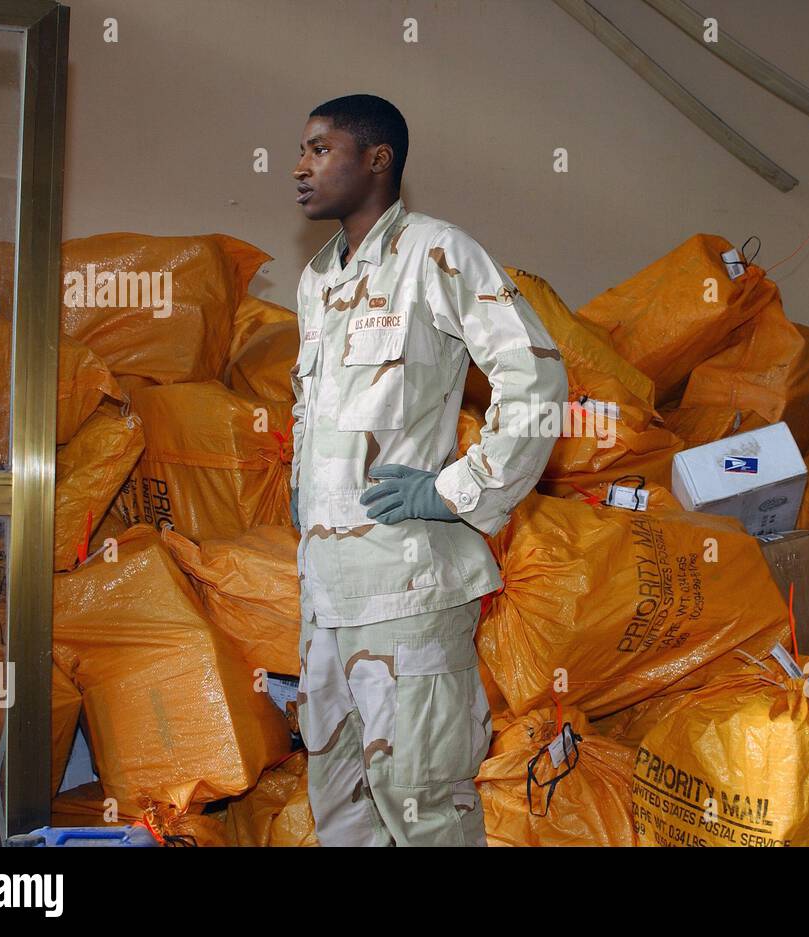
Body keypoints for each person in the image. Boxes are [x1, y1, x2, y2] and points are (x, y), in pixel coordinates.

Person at [288, 93, 568, 846]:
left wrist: (457, 490)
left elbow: (536, 377)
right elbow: (309, 409)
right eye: (302, 151)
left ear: (377, 160)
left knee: (423, 807)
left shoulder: (435, 254)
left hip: (406, 592)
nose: (299, 167)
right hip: (328, 596)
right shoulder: (318, 280)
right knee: (342, 806)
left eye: (320, 149)